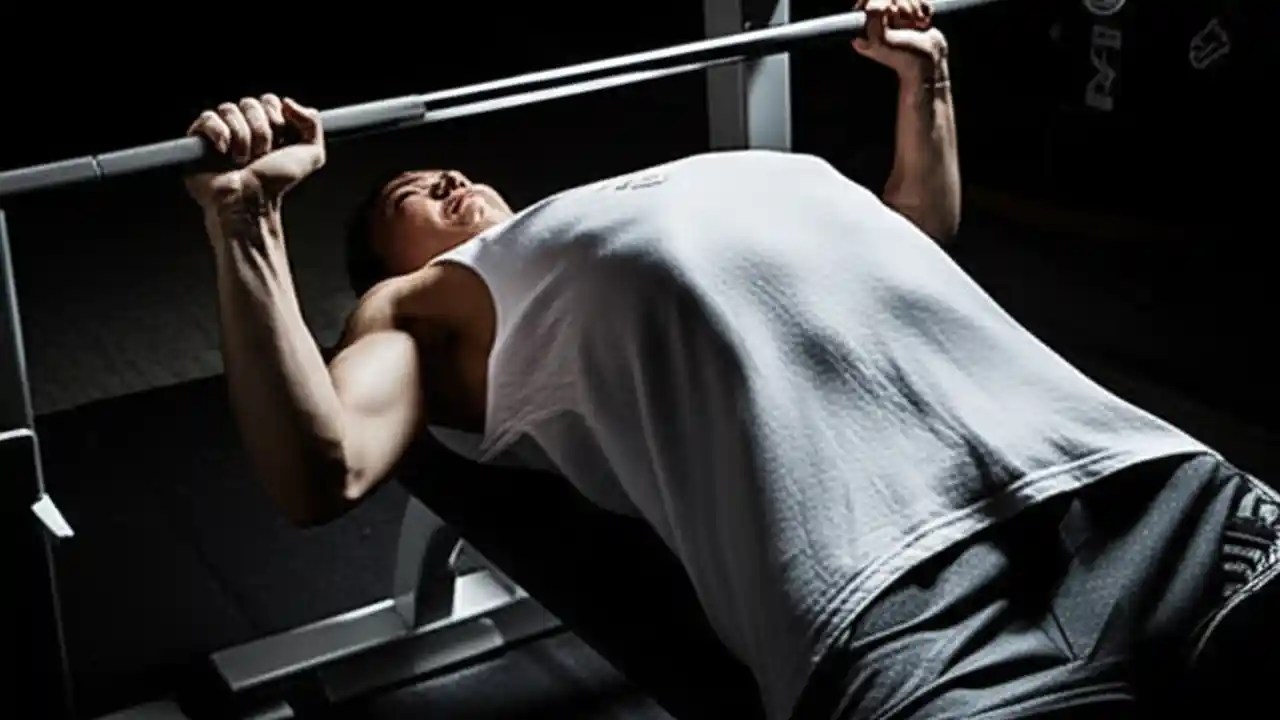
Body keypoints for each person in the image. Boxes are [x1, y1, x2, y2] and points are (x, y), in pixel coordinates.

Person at [183, 1, 1278, 718]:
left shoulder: (704, 177)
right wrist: (247, 223)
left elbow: (915, 236)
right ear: (383, 256)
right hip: (895, 610)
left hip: (1141, 495)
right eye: (402, 196)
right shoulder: (416, 302)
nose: (442, 181)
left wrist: (924, 81)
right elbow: (315, 473)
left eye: (448, 167)